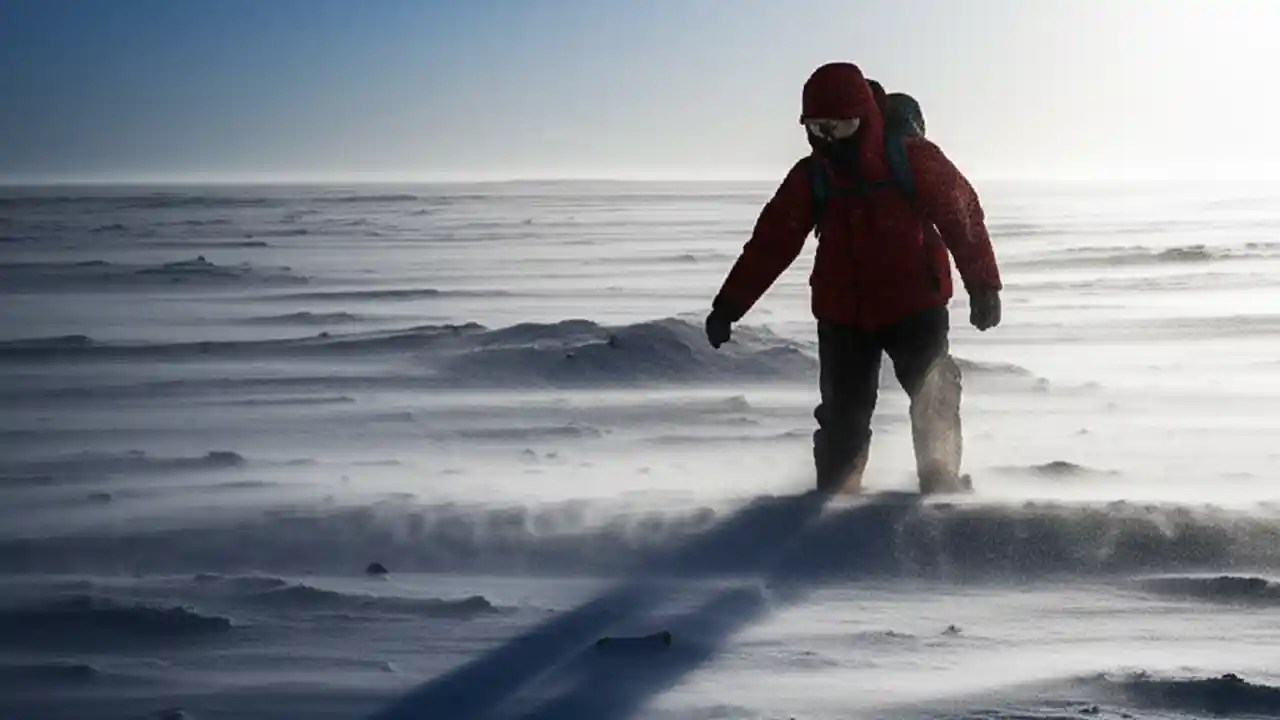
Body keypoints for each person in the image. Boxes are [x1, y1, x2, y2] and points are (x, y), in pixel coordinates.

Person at [704, 62, 1002, 494]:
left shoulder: (914, 158)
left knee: (933, 398)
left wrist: (984, 286)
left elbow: (963, 218)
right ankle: (836, 501)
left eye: (839, 128)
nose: (828, 140)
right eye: (817, 129)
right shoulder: (811, 176)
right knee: (843, 415)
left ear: (863, 117)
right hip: (844, 315)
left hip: (915, 306)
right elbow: (771, 244)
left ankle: (942, 492)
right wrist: (728, 306)